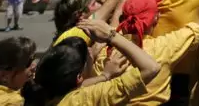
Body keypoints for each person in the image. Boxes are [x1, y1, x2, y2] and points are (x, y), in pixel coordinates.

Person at [23, 19, 162, 106]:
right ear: (79, 78)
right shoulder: (86, 99)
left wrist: (105, 76)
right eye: (88, 57)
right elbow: (151, 68)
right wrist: (111, 36)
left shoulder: (27, 95)